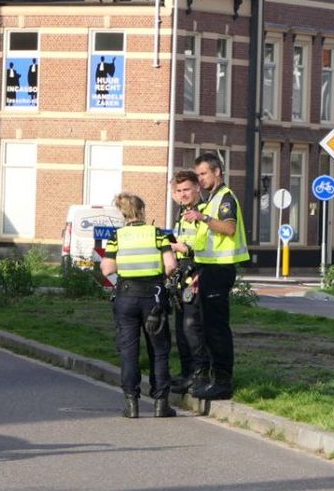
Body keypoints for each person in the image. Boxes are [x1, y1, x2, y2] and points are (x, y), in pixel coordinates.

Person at [100, 192, 178, 419]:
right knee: (159, 350)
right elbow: (171, 265)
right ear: (142, 210)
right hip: (154, 297)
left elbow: (107, 269)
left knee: (128, 351)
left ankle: (131, 404)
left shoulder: (117, 237)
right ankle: (161, 404)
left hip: (126, 296)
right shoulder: (157, 234)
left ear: (122, 213)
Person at [182, 153, 249, 400]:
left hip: (220, 269)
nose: (200, 179)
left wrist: (204, 218)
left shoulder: (225, 198)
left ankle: (223, 382)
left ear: (217, 172)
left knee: (217, 328)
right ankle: (212, 378)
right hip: (208, 269)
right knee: (207, 327)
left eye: (203, 174)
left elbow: (229, 228)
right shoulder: (212, 199)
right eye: (198, 175)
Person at [168, 170, 202, 393]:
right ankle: (186, 373)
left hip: (197, 274)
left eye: (187, 189)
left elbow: (206, 248)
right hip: (182, 275)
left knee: (192, 328)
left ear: (197, 188)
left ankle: (198, 375)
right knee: (181, 329)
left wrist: (183, 248)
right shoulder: (182, 213)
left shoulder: (202, 213)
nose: (183, 194)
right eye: (179, 190)